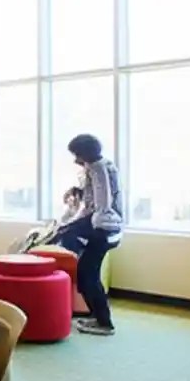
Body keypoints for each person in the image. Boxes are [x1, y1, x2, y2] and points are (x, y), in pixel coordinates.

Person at [54, 134, 123, 337]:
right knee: (85, 274)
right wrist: (78, 192)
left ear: (86, 153)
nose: (76, 160)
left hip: (103, 228)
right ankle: (97, 317)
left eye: (77, 155)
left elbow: (103, 204)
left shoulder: (97, 168)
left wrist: (76, 225)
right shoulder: (102, 166)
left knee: (87, 275)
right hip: (105, 227)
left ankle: (104, 323)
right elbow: (95, 199)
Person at [8, 187, 84, 254]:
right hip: (54, 234)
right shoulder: (66, 213)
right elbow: (59, 222)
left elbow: (70, 225)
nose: (70, 202)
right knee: (34, 235)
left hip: (64, 238)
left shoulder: (81, 214)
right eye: (68, 200)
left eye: (73, 199)